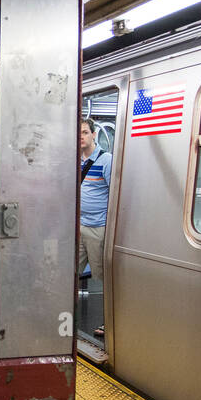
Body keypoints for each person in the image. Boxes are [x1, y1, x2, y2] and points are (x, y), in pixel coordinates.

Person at [78, 117, 113, 338]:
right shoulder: (76, 161)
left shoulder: (106, 160)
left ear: (93, 135)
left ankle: (107, 322)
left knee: (100, 277)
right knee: (69, 271)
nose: (81, 137)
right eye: (78, 133)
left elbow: (114, 192)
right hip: (77, 225)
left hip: (97, 228)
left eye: (84, 132)